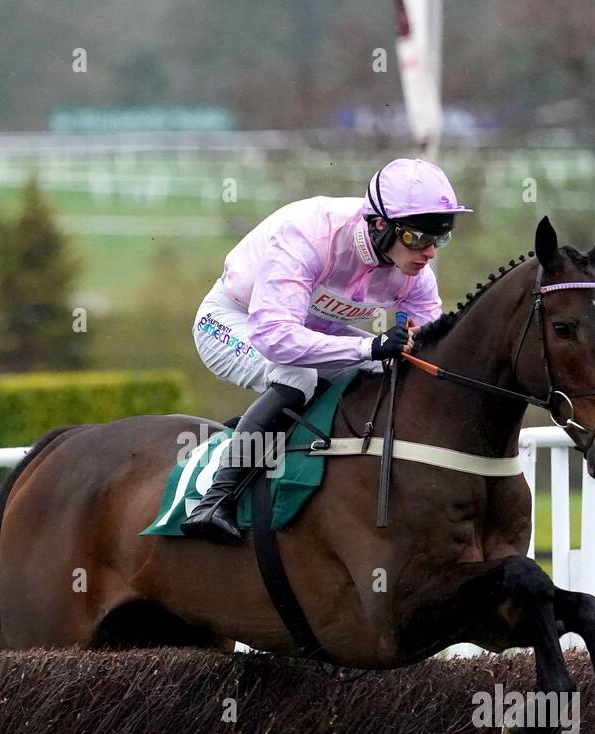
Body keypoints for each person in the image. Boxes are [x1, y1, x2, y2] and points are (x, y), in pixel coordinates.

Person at [181, 157, 472, 543]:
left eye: (439, 239)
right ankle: (215, 502)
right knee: (297, 375)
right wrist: (369, 346)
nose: (429, 252)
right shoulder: (310, 234)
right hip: (234, 321)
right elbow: (276, 339)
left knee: (385, 373)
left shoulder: (416, 275)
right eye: (417, 238)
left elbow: (429, 350)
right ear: (380, 224)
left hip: (309, 332)